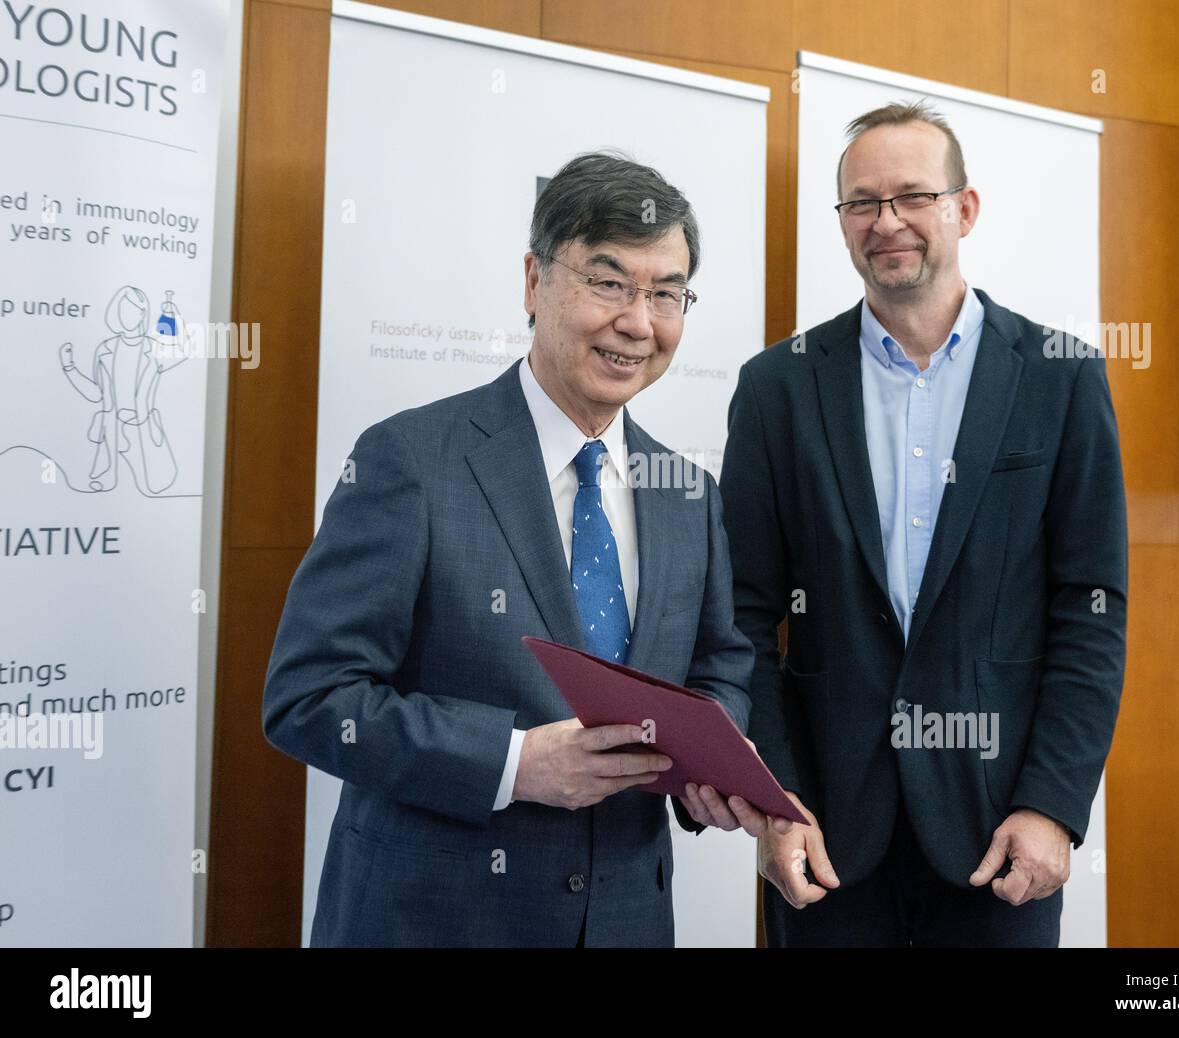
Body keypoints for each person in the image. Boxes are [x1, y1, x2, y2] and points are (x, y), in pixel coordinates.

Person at [263, 152, 781, 948]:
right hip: (433, 921)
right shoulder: (412, 460)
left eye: (666, 293)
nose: (638, 321)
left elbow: (720, 665)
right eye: (608, 283)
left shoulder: (688, 491)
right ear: (534, 281)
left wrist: (716, 757)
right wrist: (510, 764)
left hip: (625, 922)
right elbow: (308, 698)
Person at [720, 101, 1127, 947]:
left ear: (964, 209)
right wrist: (776, 801)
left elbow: (1090, 613)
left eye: (912, 195)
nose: (887, 221)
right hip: (825, 839)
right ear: (842, 223)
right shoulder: (777, 389)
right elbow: (742, 620)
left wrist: (1053, 804)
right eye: (861, 203)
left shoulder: (1060, 379)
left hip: (1000, 838)